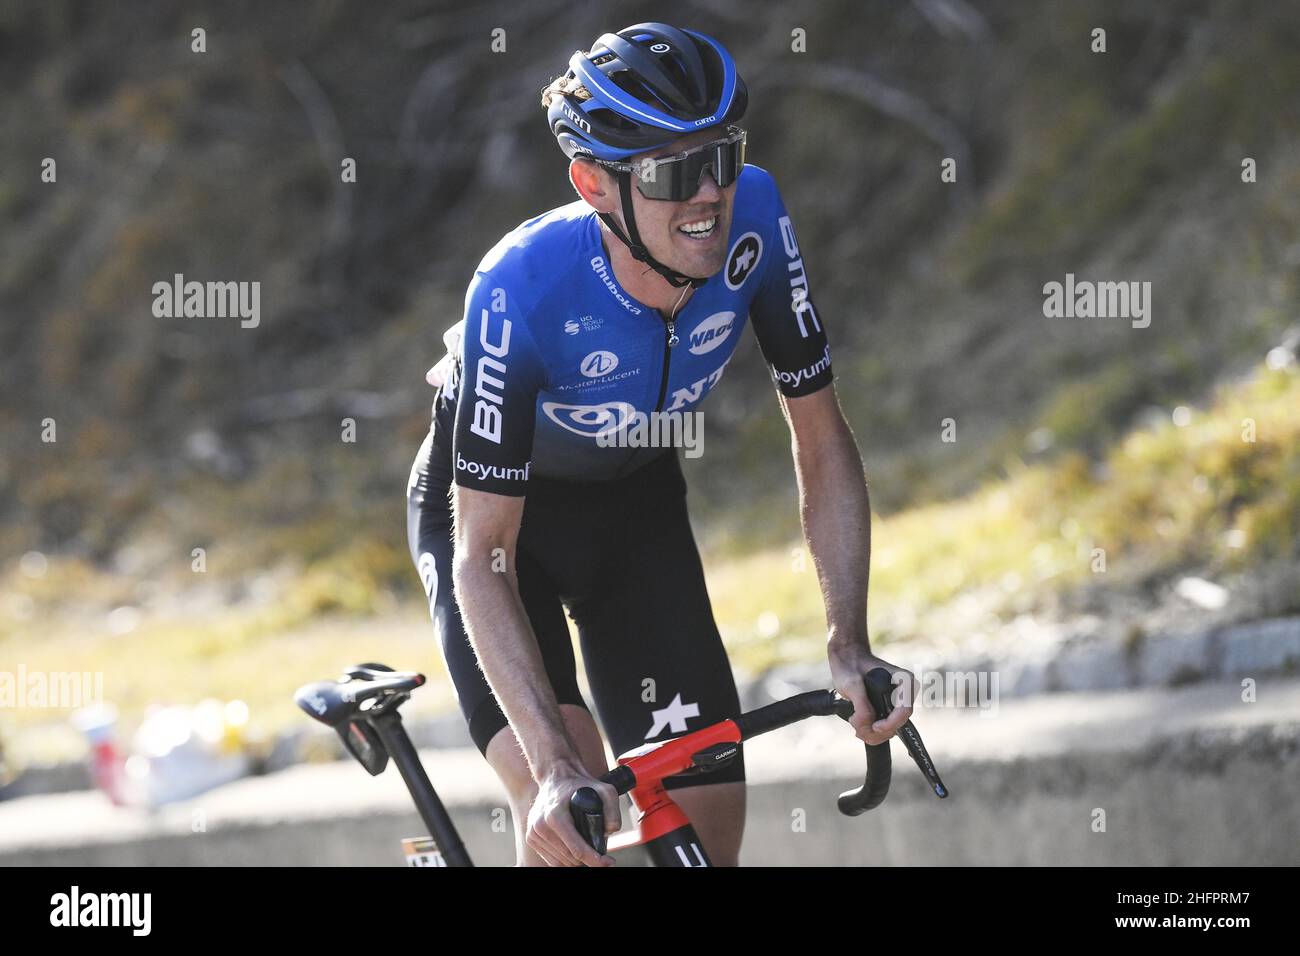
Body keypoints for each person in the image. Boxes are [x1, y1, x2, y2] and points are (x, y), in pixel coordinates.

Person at [406, 21, 915, 867]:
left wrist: (848, 644)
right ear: (594, 185)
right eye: (674, 172)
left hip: (634, 504)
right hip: (502, 535)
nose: (709, 193)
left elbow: (822, 442)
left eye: (723, 157)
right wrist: (556, 765)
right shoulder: (521, 286)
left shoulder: (756, 213)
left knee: (709, 834)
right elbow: (480, 556)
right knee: (574, 818)